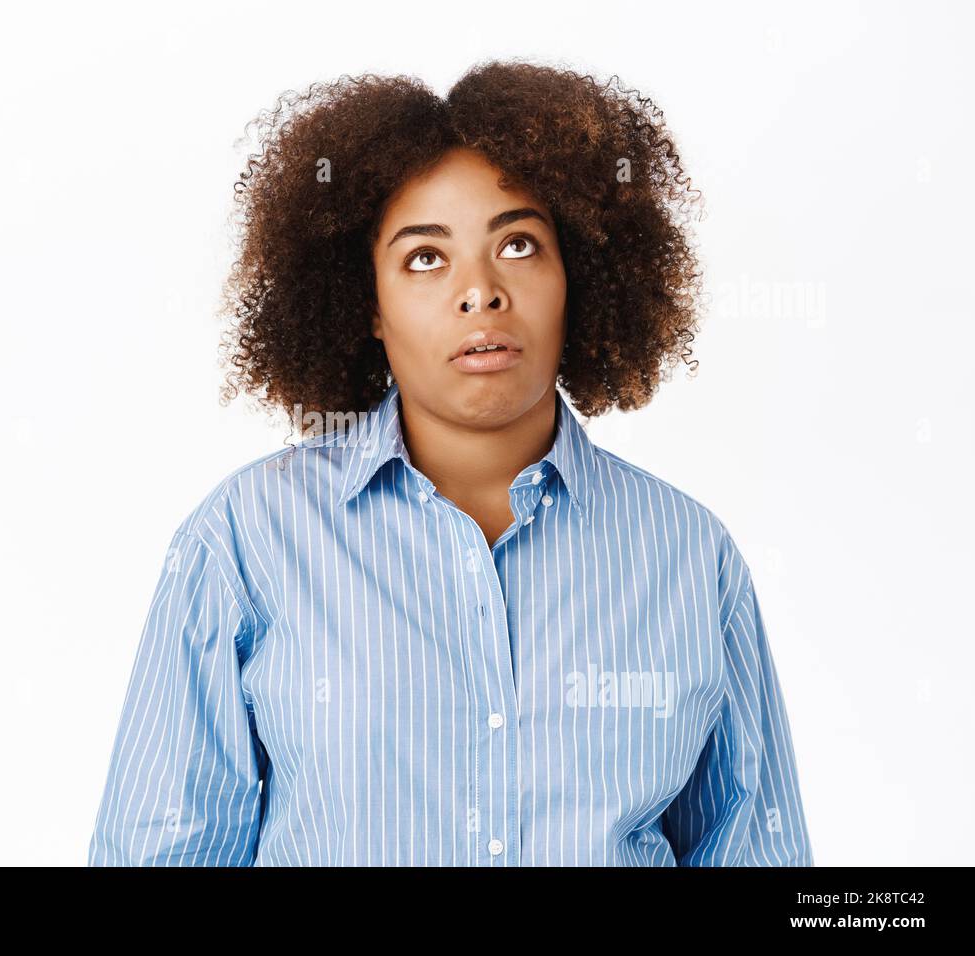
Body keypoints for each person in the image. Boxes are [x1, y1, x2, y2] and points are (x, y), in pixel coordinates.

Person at [87, 59, 813, 866]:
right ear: (365, 300)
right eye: (426, 258)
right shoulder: (244, 541)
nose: (480, 292)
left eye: (519, 244)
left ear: (579, 274)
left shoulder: (689, 555)